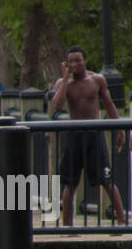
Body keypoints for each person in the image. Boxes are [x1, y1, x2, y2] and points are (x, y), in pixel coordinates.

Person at [49, 45, 127, 226]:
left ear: (85, 60)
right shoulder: (63, 83)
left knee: (106, 180)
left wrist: (120, 128)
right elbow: (57, 105)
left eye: (78, 60)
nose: (75, 64)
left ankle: (122, 222)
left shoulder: (97, 80)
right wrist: (66, 78)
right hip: (74, 136)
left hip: (94, 135)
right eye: (71, 61)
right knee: (70, 183)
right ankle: (67, 226)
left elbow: (109, 104)